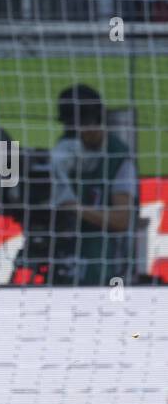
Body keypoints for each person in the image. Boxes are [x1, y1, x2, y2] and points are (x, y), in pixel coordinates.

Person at [48, 84, 140, 286]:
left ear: (95, 122)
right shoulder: (66, 149)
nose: (77, 134)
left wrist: (74, 207)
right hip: (70, 257)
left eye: (81, 126)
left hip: (110, 265)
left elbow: (121, 220)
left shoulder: (118, 158)